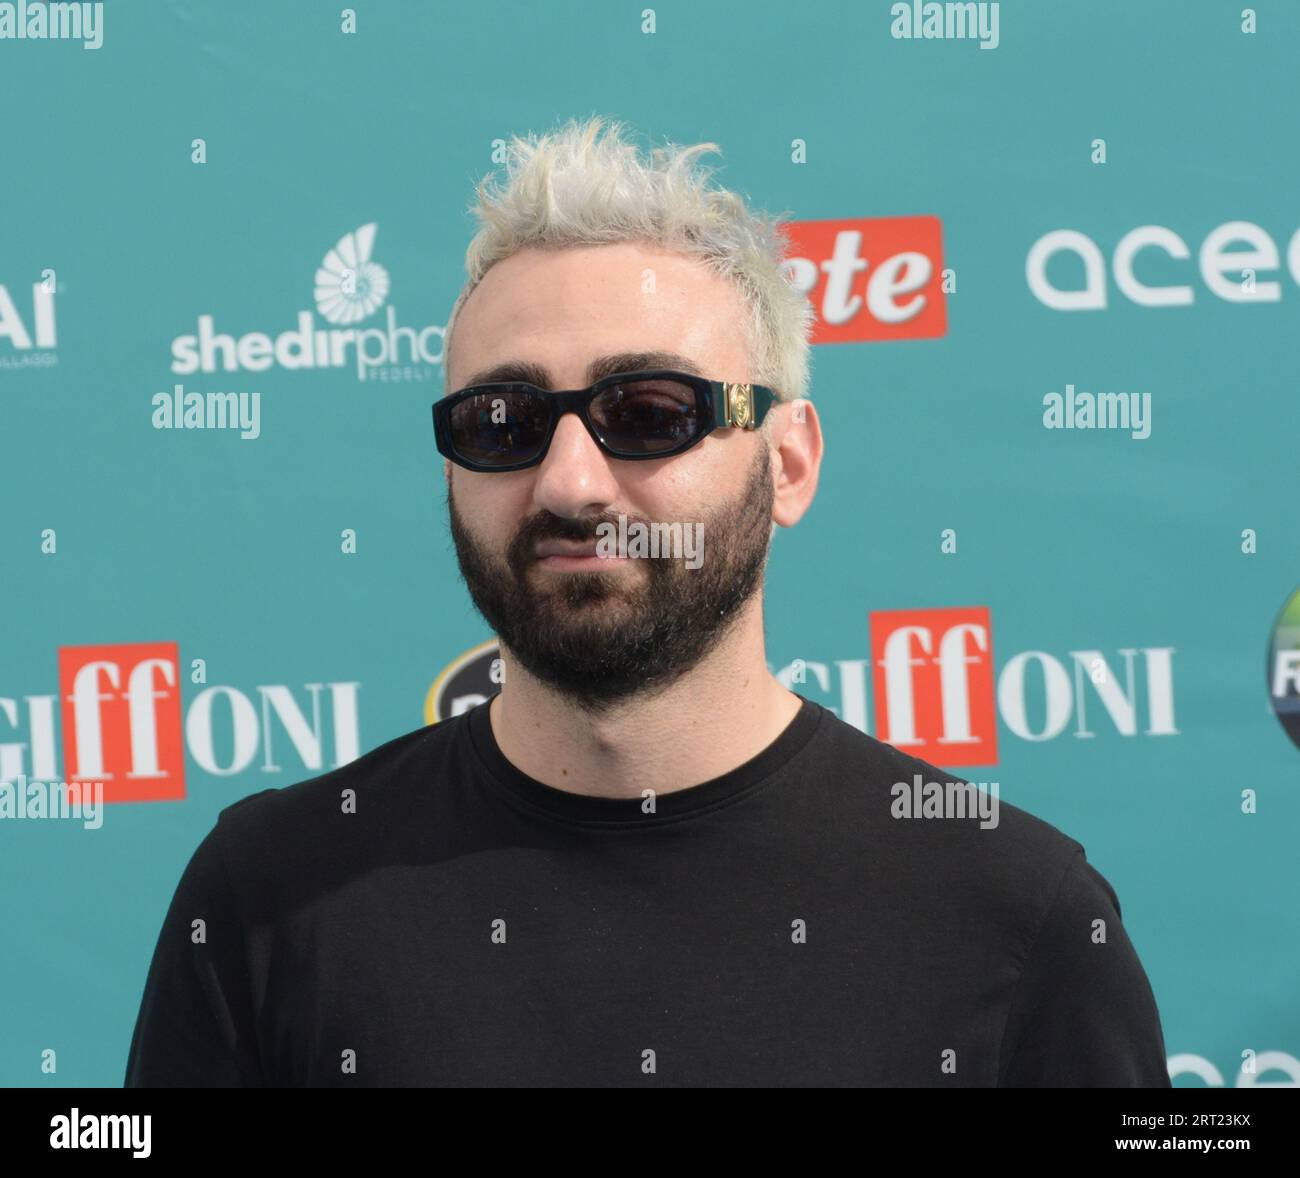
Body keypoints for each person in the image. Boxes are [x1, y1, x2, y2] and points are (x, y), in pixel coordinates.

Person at [124, 115, 1170, 1087]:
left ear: (790, 463)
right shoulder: (269, 896)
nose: (569, 482)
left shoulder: (1017, 916)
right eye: (503, 420)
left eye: (649, 411)